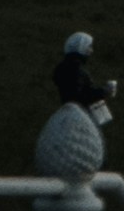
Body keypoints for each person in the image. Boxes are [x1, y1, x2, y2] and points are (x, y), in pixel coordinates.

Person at [34, 33, 117, 188]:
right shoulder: (76, 70)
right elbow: (80, 95)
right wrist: (103, 92)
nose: (91, 51)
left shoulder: (64, 68)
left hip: (71, 112)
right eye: (88, 47)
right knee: (93, 144)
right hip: (83, 114)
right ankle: (98, 174)